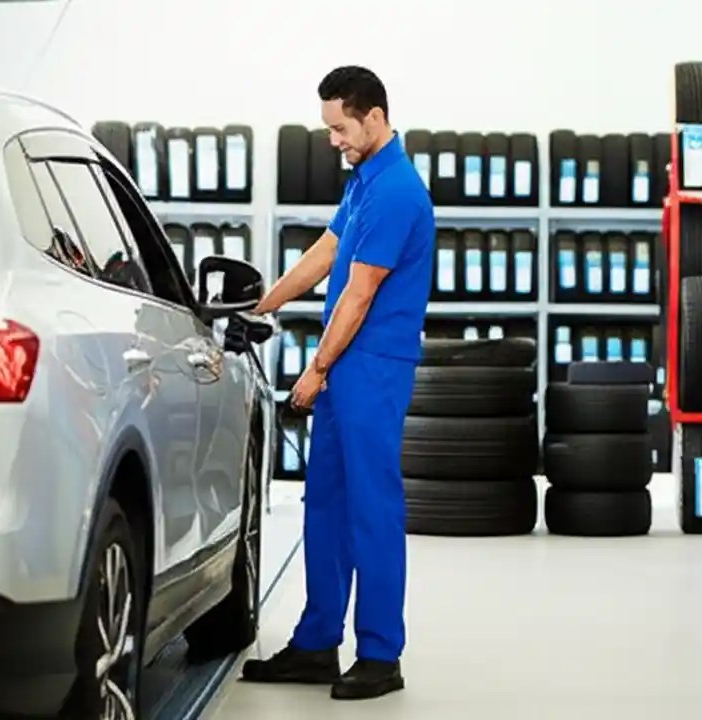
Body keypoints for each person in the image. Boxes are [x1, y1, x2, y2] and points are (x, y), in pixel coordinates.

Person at [241, 65, 435, 700]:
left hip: (372, 369)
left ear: (373, 116)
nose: (333, 140)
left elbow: (357, 293)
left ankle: (381, 654)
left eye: (339, 127)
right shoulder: (363, 184)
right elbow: (325, 255)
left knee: (371, 510)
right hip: (345, 367)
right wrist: (261, 305)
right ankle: (317, 643)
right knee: (322, 503)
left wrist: (316, 369)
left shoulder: (397, 192)